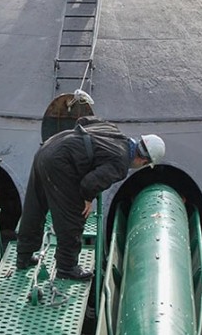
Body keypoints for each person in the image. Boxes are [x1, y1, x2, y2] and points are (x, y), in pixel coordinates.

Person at [16, 118, 166, 280]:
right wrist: (87, 199)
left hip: (49, 146)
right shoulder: (121, 163)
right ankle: (67, 268)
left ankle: (23, 256)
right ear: (144, 161)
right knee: (74, 215)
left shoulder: (113, 130)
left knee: (35, 206)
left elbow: (84, 120)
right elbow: (89, 184)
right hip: (59, 162)